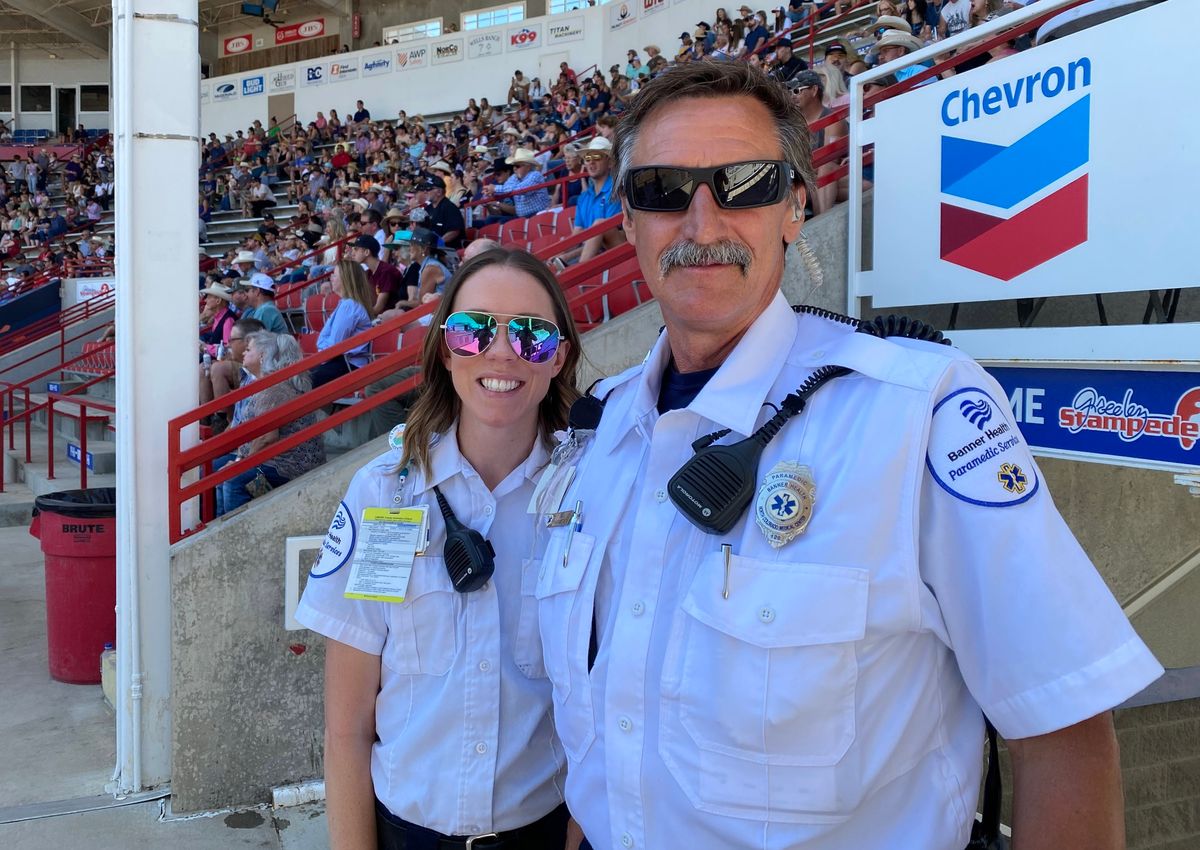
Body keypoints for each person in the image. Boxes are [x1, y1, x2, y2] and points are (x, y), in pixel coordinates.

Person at [537, 61, 1162, 850]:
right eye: (663, 189)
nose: (701, 223)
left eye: (745, 183)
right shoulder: (600, 428)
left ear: (795, 206)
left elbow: (1062, 730)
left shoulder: (920, 411)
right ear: (628, 221)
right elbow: (605, 723)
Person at [295, 248, 581, 849]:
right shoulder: (382, 493)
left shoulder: (591, 498)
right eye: (475, 330)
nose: (502, 352)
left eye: (531, 334)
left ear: (558, 357)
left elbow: (605, 707)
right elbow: (347, 728)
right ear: (447, 350)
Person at [215, 332, 325, 515]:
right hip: (274, 459)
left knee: (232, 481)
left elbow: (267, 438)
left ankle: (237, 536)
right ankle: (218, 531)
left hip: (288, 465)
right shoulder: (268, 384)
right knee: (221, 474)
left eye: (249, 349)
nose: (243, 352)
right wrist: (238, 460)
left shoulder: (273, 388)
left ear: (263, 356)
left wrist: (240, 464)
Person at [310, 259, 374, 388]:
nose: (331, 278)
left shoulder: (349, 306)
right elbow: (325, 340)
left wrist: (322, 346)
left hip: (349, 366)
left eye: (334, 275)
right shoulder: (345, 304)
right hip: (341, 362)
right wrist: (323, 346)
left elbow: (333, 346)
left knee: (301, 384)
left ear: (345, 279)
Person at [566, 137, 625, 264]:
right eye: (588, 158)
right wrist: (558, 255)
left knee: (600, 224)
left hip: (616, 249)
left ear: (610, 163)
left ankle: (577, 274)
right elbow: (577, 235)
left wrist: (566, 257)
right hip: (591, 252)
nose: (591, 162)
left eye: (597, 157)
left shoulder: (616, 191)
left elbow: (604, 237)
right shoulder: (583, 197)